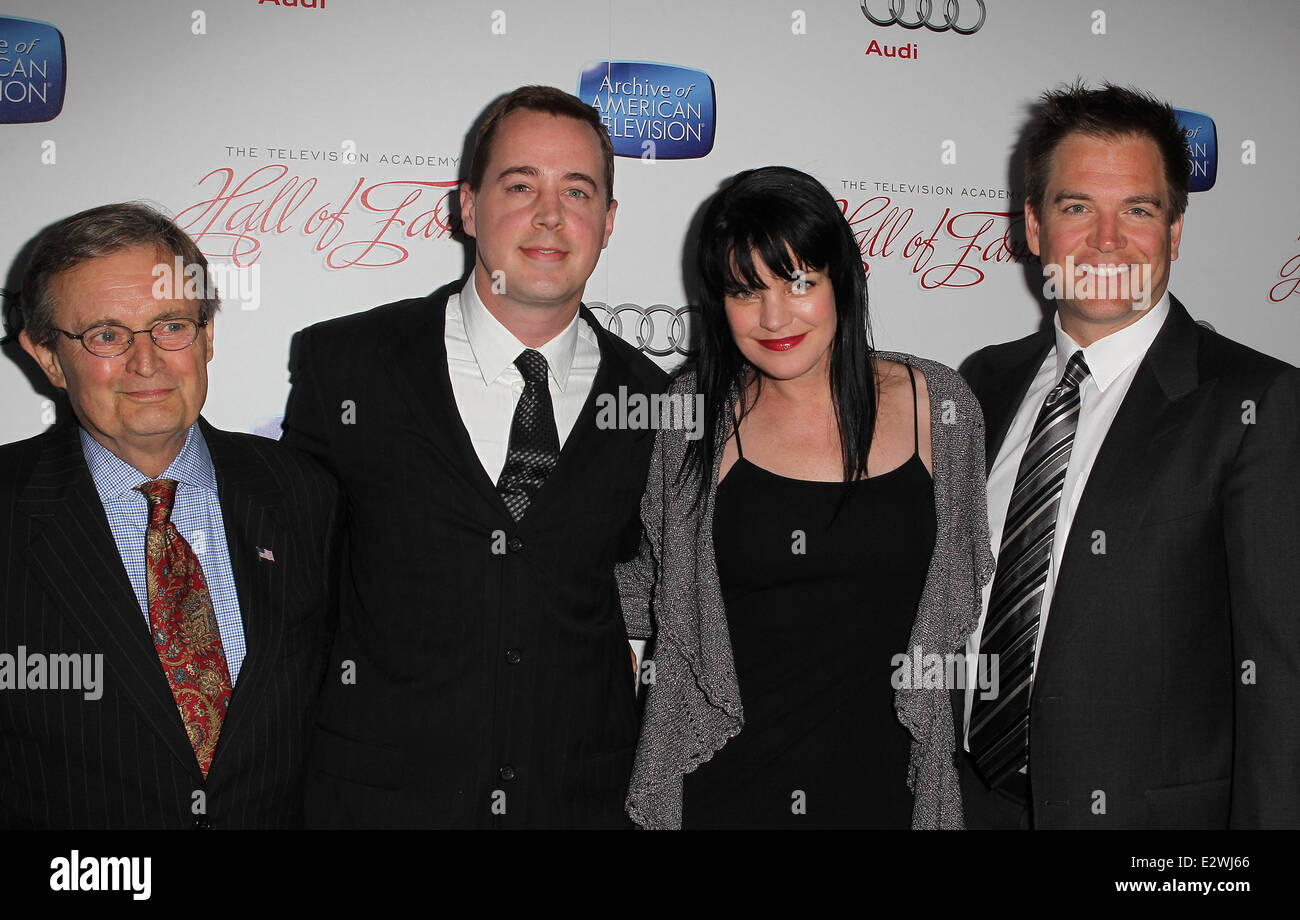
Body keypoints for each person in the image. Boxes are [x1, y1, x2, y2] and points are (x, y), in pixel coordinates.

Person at [282, 86, 668, 828]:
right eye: (521, 185)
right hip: (377, 804)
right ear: (467, 206)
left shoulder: (655, 400)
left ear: (609, 221)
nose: (550, 217)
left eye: (577, 191)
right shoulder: (349, 364)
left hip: (577, 802)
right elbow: (295, 588)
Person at [957, 82, 1300, 828]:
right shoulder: (983, 381)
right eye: (1077, 207)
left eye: (1137, 210)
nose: (1106, 241)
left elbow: (1282, 686)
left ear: (1175, 232)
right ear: (1034, 227)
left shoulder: (1258, 405)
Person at [618, 166, 994, 829]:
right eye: (743, 290)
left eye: (798, 283)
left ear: (842, 279)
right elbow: (647, 591)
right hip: (725, 793)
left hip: (888, 793)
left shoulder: (942, 408)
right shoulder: (686, 417)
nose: (773, 317)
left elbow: (961, 601)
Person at [0, 202, 339, 828]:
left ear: (208, 336)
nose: (147, 362)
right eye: (105, 334)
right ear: (47, 357)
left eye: (171, 326)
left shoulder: (304, 494)